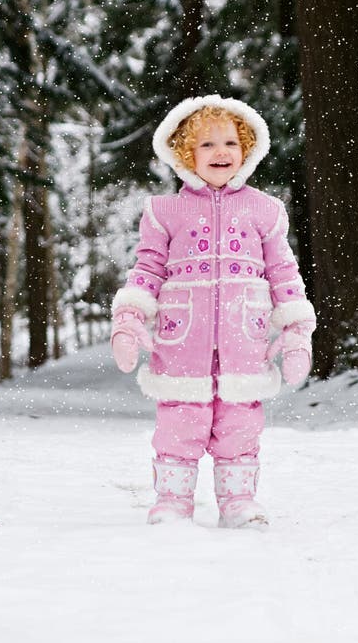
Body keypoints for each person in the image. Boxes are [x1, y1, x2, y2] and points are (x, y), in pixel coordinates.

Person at [109, 94, 315, 528]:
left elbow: (282, 271)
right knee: (180, 423)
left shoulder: (265, 210)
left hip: (245, 339)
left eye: (230, 143)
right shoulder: (165, 211)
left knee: (240, 425)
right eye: (207, 145)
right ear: (185, 153)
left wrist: (296, 328)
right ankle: (172, 502)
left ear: (246, 150)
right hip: (183, 340)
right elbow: (147, 268)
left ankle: (238, 501)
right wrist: (129, 319)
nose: (221, 153)